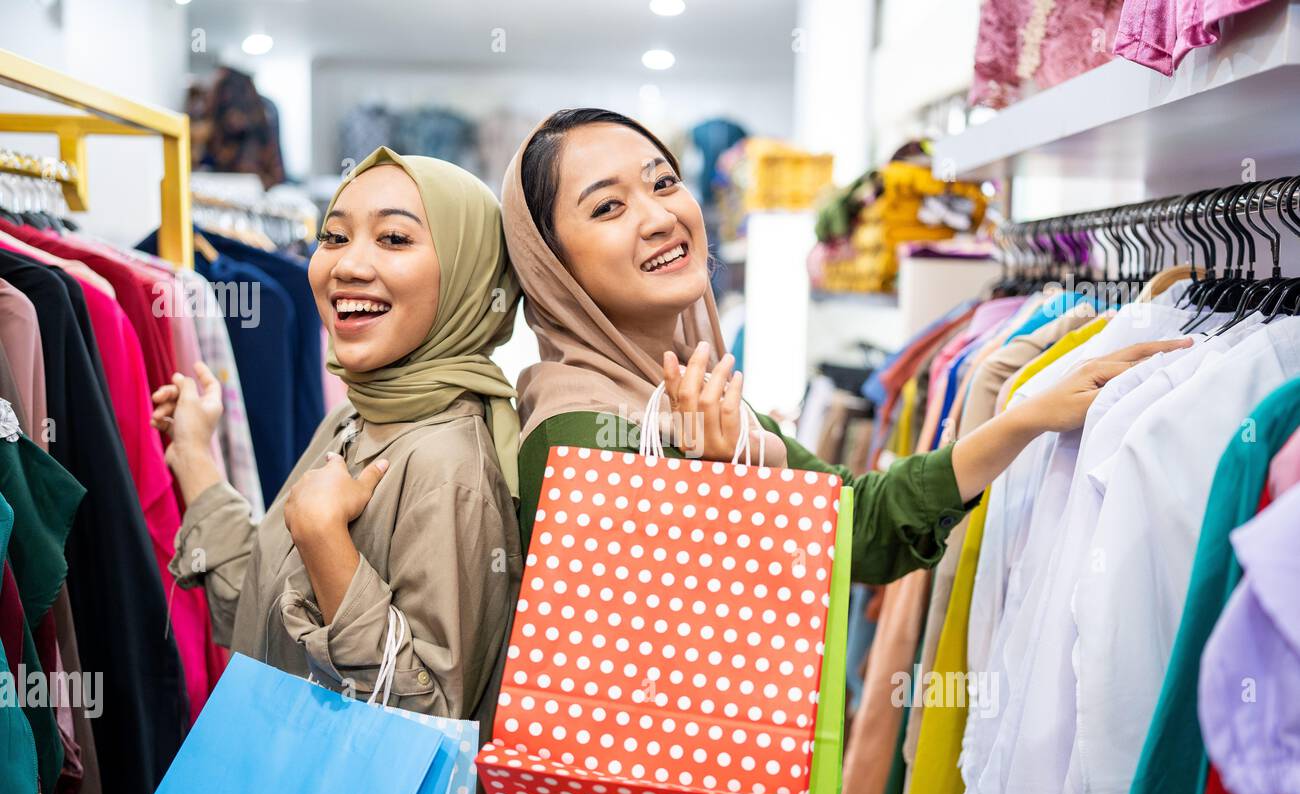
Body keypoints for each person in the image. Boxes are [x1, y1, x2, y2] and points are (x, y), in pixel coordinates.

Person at [501, 108, 1190, 575]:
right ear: (551, 264)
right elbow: (648, 650)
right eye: (608, 207)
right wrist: (720, 485)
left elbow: (859, 525)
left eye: (664, 183)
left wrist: (1026, 417)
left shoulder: (699, 397)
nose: (658, 217)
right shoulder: (582, 433)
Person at [153, 146, 522, 727]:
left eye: (394, 239)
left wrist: (327, 542)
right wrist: (193, 453)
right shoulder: (358, 418)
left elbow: (425, 724)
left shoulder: (448, 463)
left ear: (468, 275)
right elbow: (260, 610)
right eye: (334, 237)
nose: (347, 265)